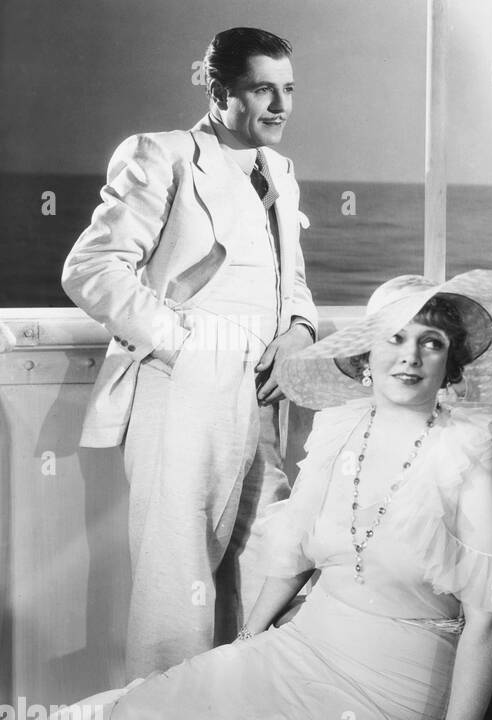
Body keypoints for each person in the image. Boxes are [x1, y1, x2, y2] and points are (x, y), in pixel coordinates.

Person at [0, 271, 492, 720]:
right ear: (365, 354)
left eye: (430, 341)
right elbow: (292, 553)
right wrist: (248, 643)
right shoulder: (339, 430)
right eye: (395, 338)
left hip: (388, 689)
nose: (409, 355)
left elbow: (488, 623)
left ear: (451, 361)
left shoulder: (471, 462)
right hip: (300, 649)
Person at [63, 27, 319, 679]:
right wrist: (191, 342)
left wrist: (299, 330)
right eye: (263, 89)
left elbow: (291, 278)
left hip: (261, 401)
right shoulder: (164, 155)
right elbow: (92, 268)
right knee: (175, 589)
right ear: (220, 88)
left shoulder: (279, 173)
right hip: (182, 395)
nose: (280, 106)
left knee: (273, 562)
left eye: (287, 90)